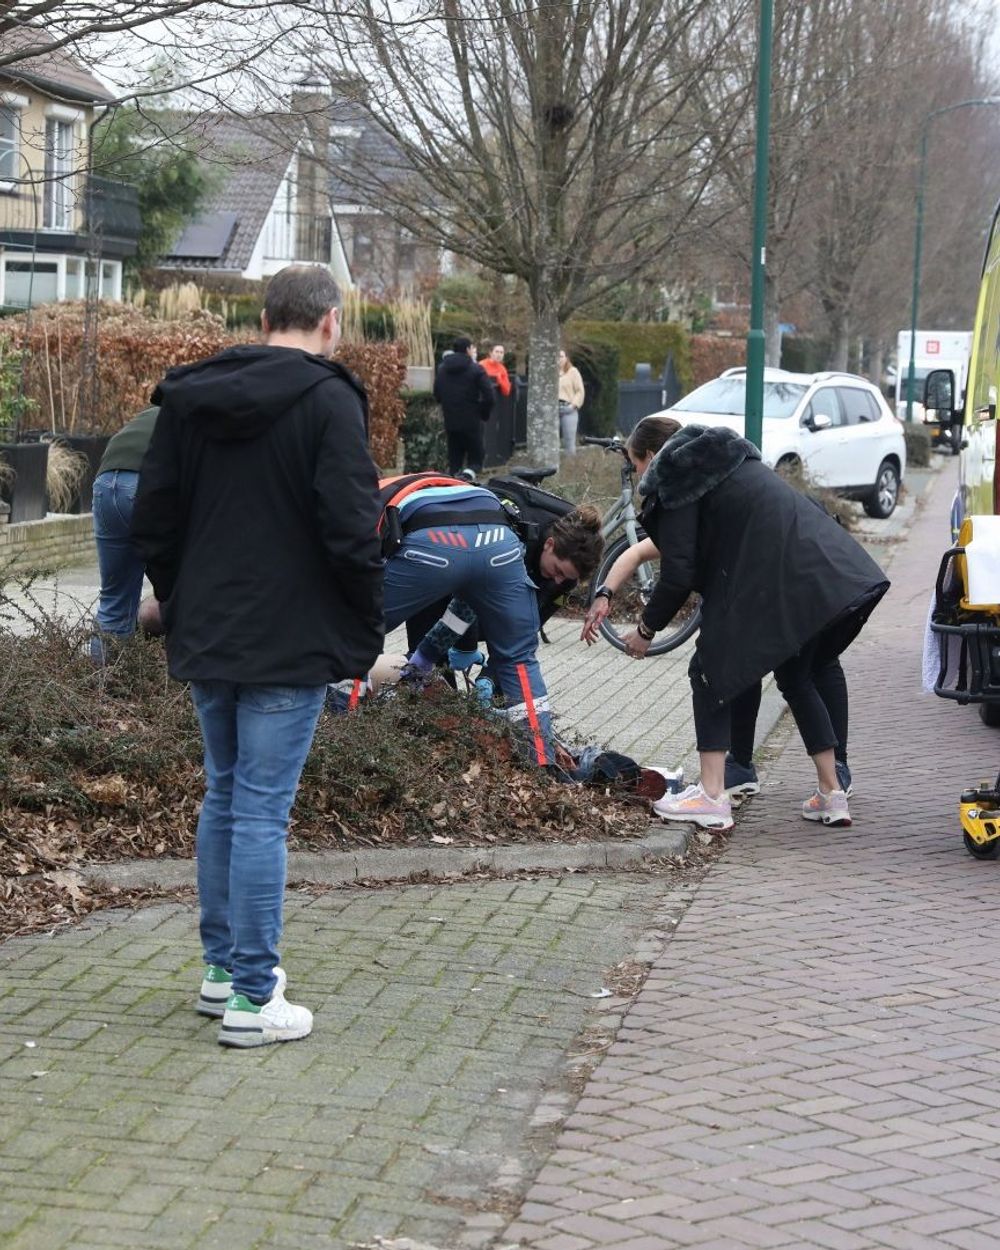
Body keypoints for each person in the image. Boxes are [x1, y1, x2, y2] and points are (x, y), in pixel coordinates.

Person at [131, 264, 383, 1048]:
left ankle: (219, 972)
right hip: (287, 633)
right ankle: (252, 995)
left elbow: (155, 515)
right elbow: (351, 527)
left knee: (227, 795)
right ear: (331, 323)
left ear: (264, 314)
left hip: (210, 627)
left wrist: (181, 598)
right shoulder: (331, 399)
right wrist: (365, 624)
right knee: (262, 811)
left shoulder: (190, 394)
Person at [583, 415, 887, 831]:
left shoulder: (678, 481)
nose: (638, 477)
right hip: (825, 568)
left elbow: (679, 574)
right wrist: (604, 594)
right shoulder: (721, 468)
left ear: (652, 457)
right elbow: (644, 553)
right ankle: (832, 795)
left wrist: (646, 631)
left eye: (636, 466)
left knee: (707, 669)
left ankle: (711, 796)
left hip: (773, 579)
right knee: (798, 675)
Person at [375, 475, 562, 766]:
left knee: (354, 633)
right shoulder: (453, 487)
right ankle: (542, 764)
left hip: (431, 545)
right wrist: (425, 657)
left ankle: (340, 729)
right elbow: (467, 600)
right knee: (520, 659)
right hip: (500, 545)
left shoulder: (373, 493)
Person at [88, 405, 159, 661]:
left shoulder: (148, 415)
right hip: (147, 485)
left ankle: (100, 690)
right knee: (184, 592)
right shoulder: (199, 416)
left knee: (114, 599)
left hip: (106, 484)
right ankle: (178, 690)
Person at [434, 336, 495, 479]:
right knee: (476, 461)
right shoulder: (476, 369)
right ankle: (467, 478)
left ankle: (454, 483)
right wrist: (483, 413)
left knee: (454, 461)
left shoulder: (442, 369)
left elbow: (437, 393)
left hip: (451, 421)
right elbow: (489, 395)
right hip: (472, 421)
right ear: (468, 349)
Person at [558, 349, 585, 456]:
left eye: (561, 356)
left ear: (566, 358)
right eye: (556, 356)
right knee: (552, 440)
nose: (558, 359)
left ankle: (570, 467)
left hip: (568, 409)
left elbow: (580, 390)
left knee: (569, 441)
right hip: (553, 409)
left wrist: (573, 405)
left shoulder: (573, 372)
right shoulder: (550, 374)